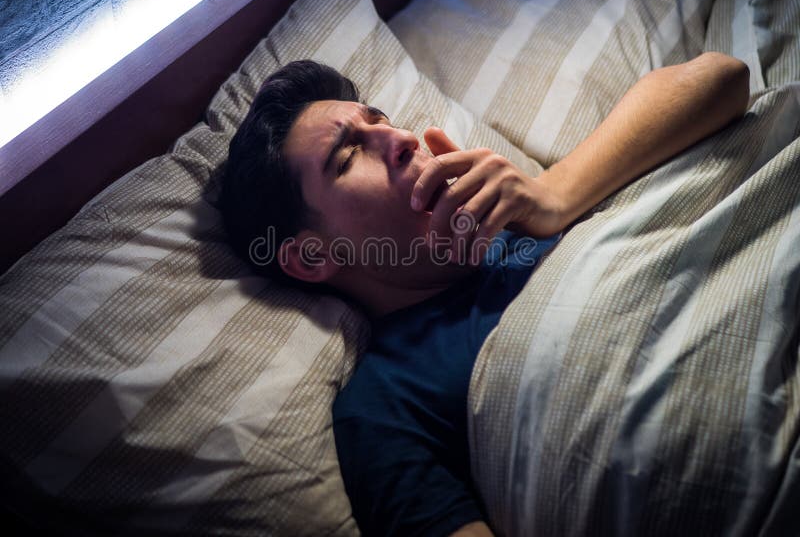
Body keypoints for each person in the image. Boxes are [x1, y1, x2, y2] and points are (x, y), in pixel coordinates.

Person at [221, 54, 749, 536]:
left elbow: (725, 78)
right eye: (348, 155)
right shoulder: (384, 407)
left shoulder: (540, 210)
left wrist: (555, 194)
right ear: (313, 257)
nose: (401, 137)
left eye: (378, 118)